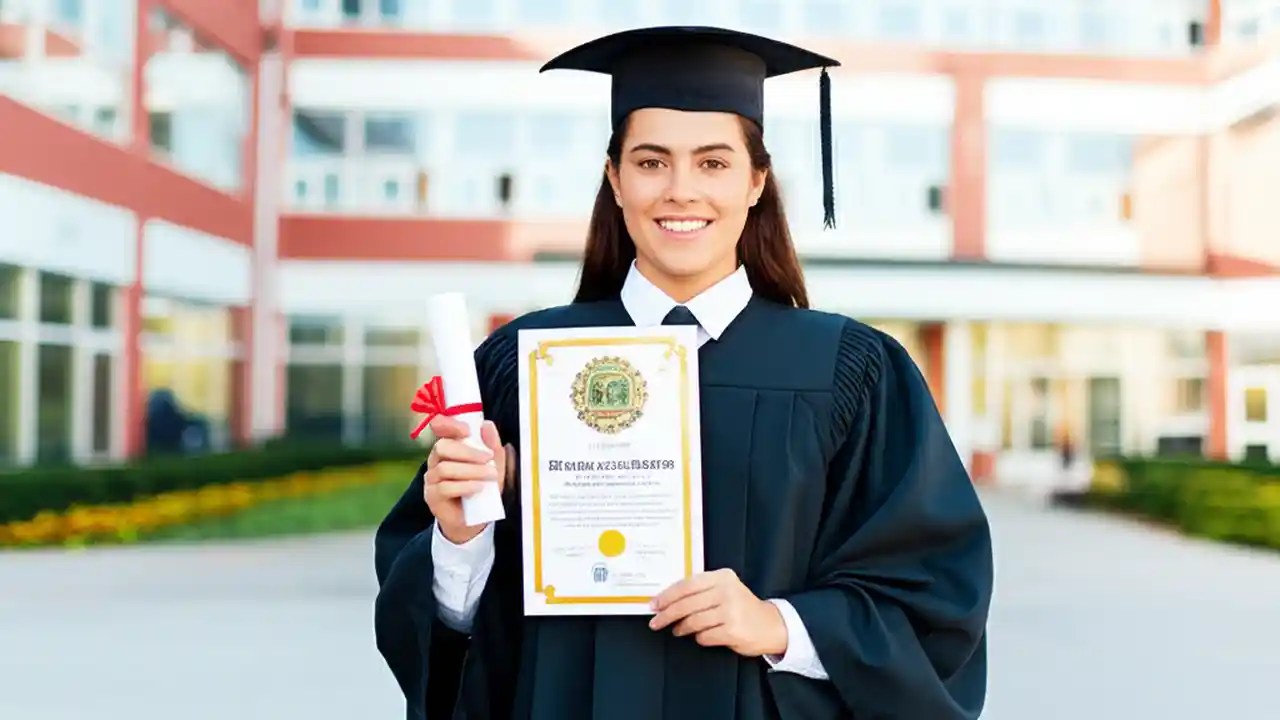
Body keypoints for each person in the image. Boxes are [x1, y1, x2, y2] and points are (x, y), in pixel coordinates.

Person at [374, 26, 993, 720]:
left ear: (757, 181)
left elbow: (936, 600)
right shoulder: (524, 363)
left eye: (713, 163)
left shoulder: (849, 372)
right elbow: (446, 639)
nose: (680, 191)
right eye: (650, 162)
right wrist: (463, 539)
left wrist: (781, 624)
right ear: (614, 179)